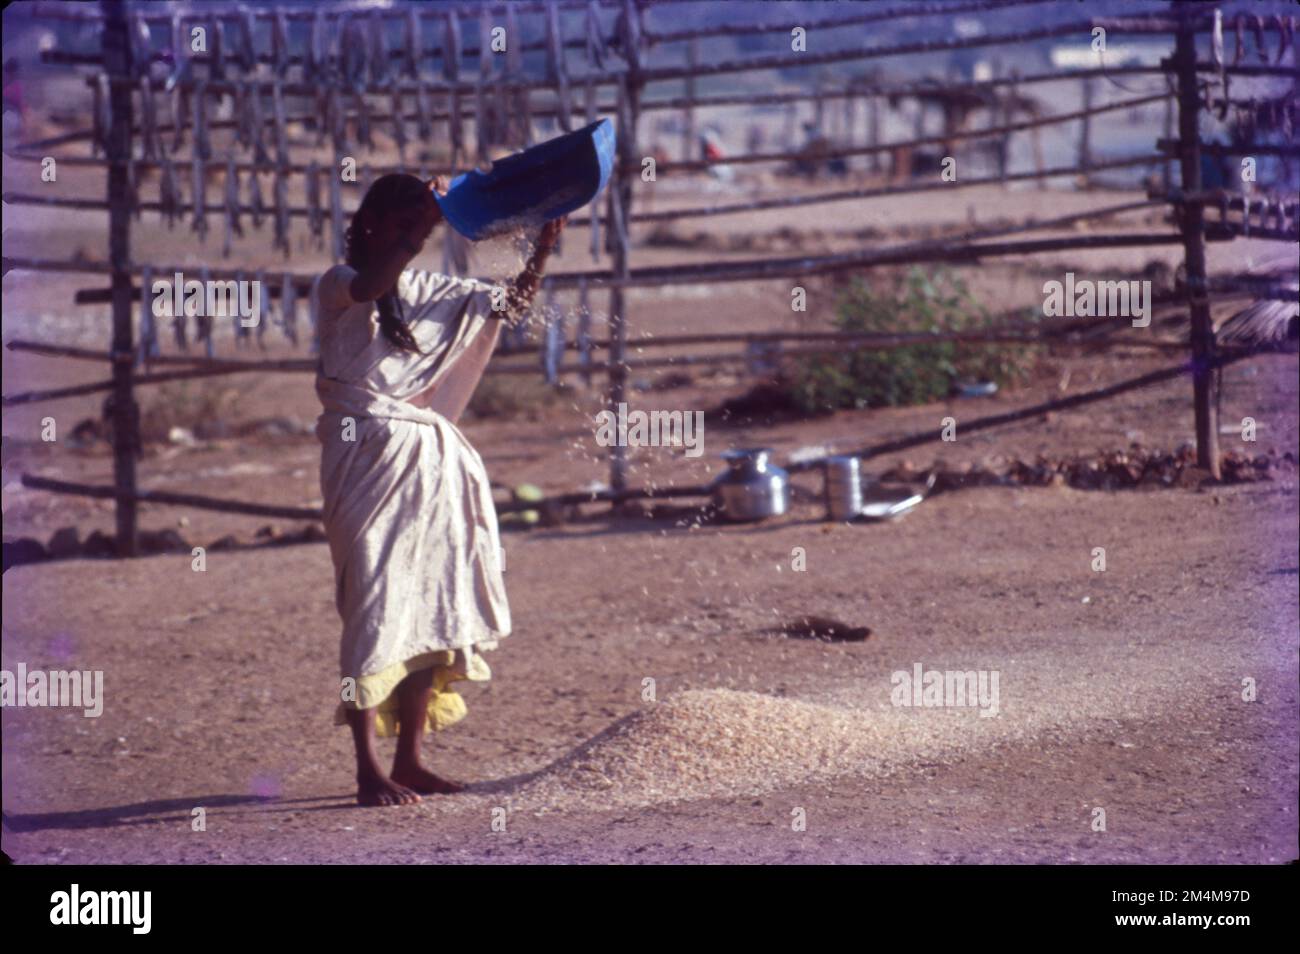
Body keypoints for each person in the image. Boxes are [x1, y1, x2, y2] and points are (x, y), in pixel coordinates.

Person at [311, 172, 563, 806]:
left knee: (429, 602)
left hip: (429, 465)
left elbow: (505, 307)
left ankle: (411, 759)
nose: (412, 238)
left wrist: (542, 252)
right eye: (400, 226)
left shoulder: (430, 290)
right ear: (371, 226)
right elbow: (374, 283)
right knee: (373, 605)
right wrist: (415, 230)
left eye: (418, 227)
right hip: (365, 458)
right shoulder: (339, 285)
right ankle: (368, 769)